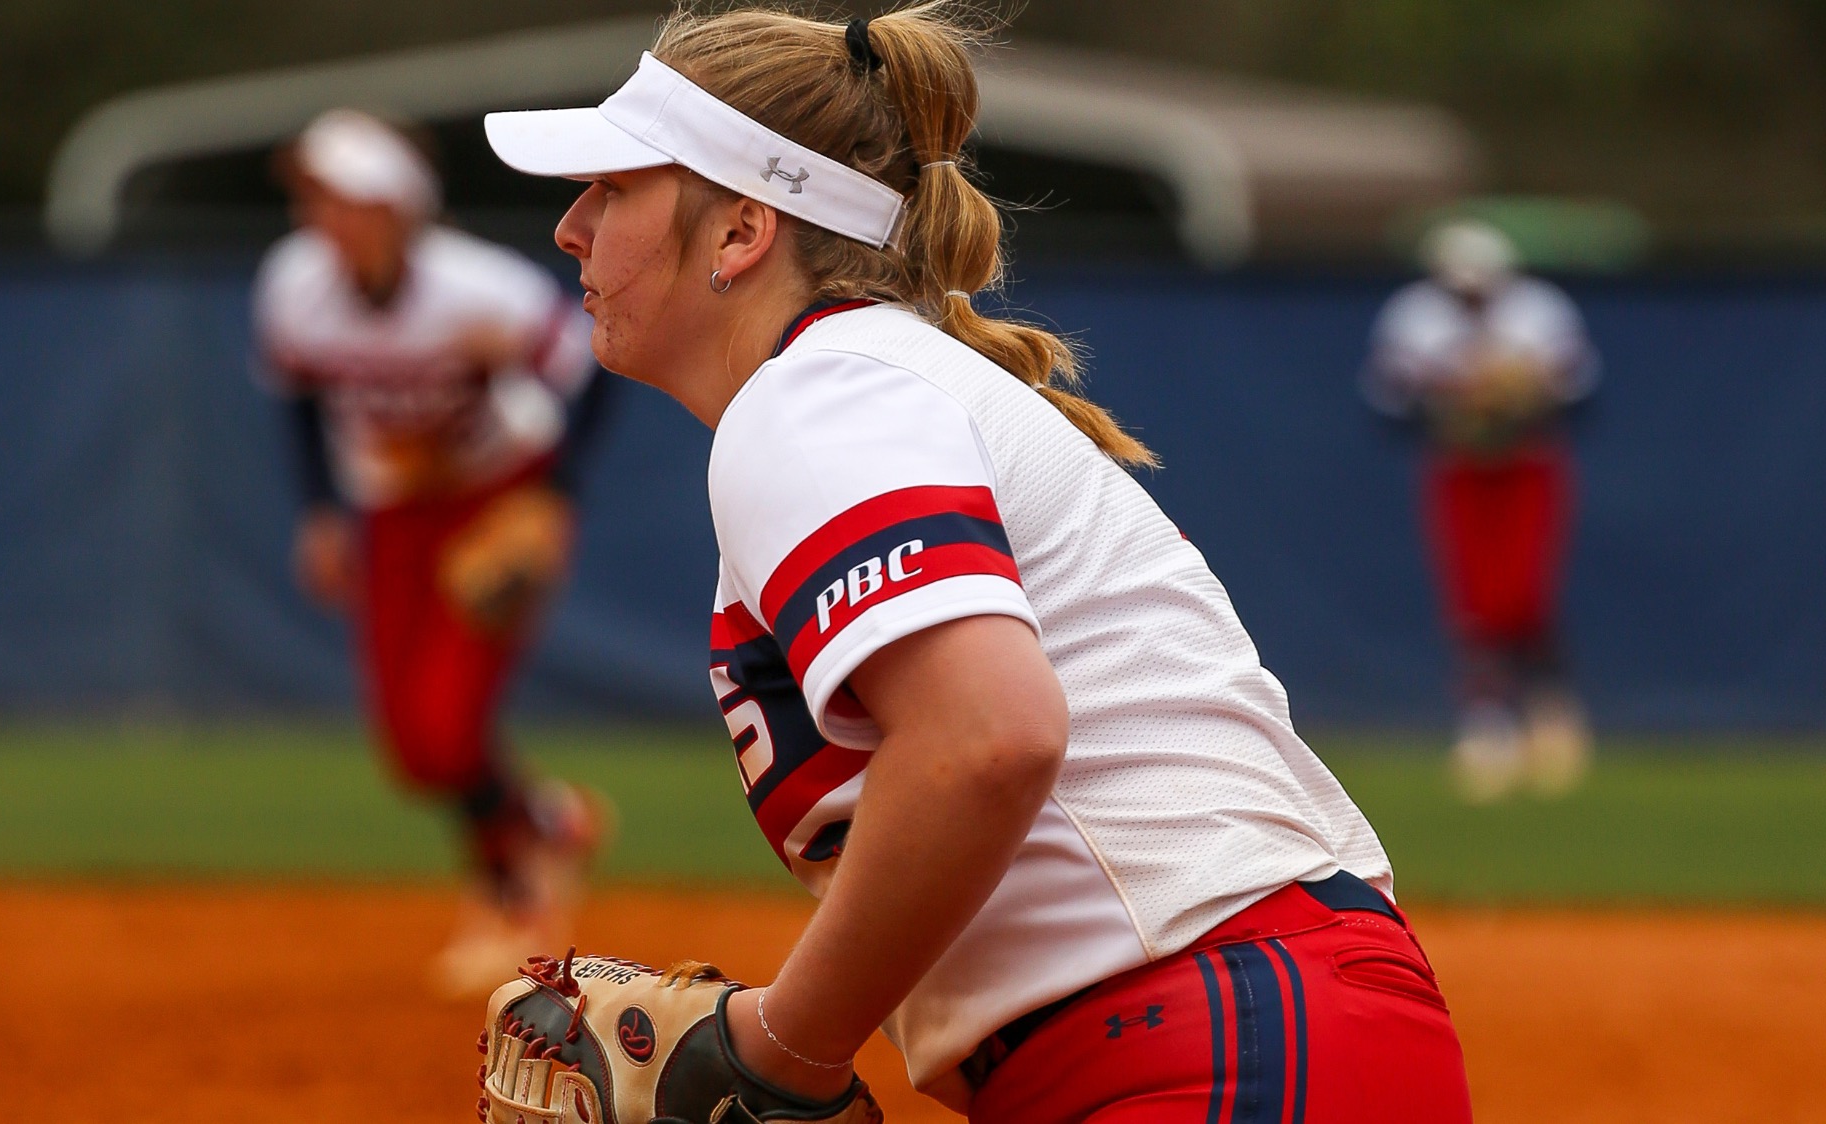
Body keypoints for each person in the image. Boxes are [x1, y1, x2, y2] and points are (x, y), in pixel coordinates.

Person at [477, 4, 1472, 1121]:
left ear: (740, 231)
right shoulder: (862, 385)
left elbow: (986, 737)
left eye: (613, 187)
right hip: (1216, 1026)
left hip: (1212, 1033)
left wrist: (775, 1045)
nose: (571, 227)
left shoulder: (820, 395)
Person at [253, 108, 611, 999]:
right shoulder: (294, 284)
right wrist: (319, 514)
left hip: (493, 498)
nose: (326, 217)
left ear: (398, 209)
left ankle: (515, 897)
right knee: (413, 751)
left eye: (347, 199)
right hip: (392, 513)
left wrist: (553, 498)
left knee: (451, 728)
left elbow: (587, 363)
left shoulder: (474, 289)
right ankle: (548, 823)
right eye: (319, 198)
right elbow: (298, 395)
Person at [1365, 220, 1599, 803]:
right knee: (1472, 597)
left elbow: (1582, 391)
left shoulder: (1539, 312)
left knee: (1523, 591)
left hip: (1528, 462)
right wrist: (1454, 400)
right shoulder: (1415, 315)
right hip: (1459, 465)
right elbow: (1388, 402)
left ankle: (1550, 716)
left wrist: (1520, 394)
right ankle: (1487, 725)